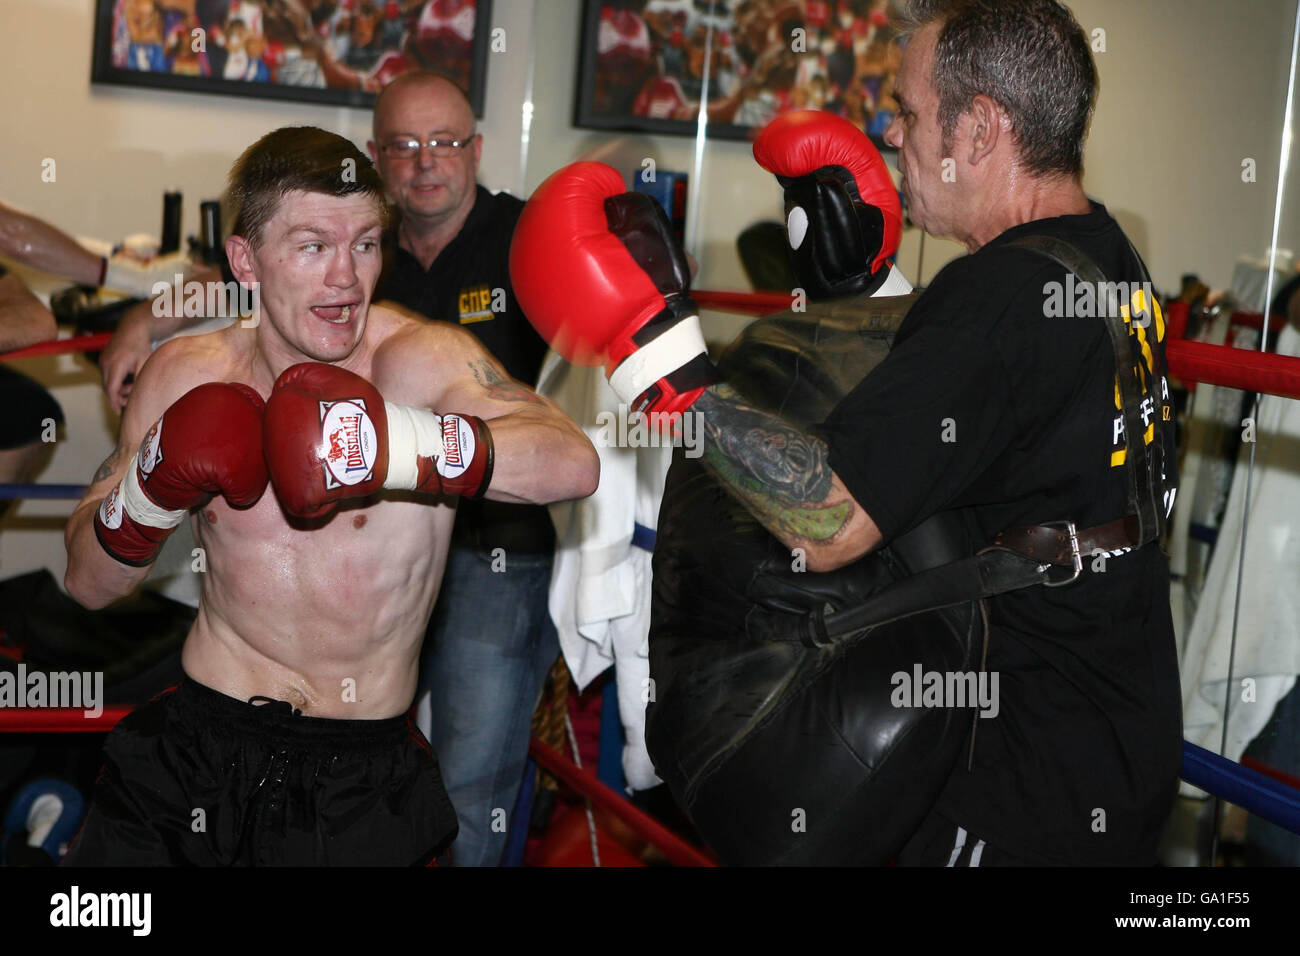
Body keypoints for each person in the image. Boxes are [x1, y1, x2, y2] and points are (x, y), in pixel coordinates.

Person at [512, 0, 1180, 866]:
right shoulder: (1107, 260)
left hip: (1020, 778)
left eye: (905, 111)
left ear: (978, 128)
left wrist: (655, 365)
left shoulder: (998, 300)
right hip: (1121, 735)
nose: (891, 136)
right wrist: (858, 295)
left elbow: (827, 522)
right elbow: (996, 416)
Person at [61, 126, 598, 866]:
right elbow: (89, 585)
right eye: (314, 246)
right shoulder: (186, 375)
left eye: (367, 244)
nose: (346, 279)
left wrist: (394, 444)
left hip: (361, 780)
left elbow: (571, 463)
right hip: (194, 754)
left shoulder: (420, 359)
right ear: (246, 260)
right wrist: (147, 493)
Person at [366, 70, 562, 867]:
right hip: (374, 533)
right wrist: (150, 314)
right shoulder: (357, 252)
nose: (425, 163)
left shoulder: (531, 237)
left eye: (445, 142)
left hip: (497, 542)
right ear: (375, 157)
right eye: (404, 146)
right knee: (356, 751)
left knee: (472, 774)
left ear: (477, 149)